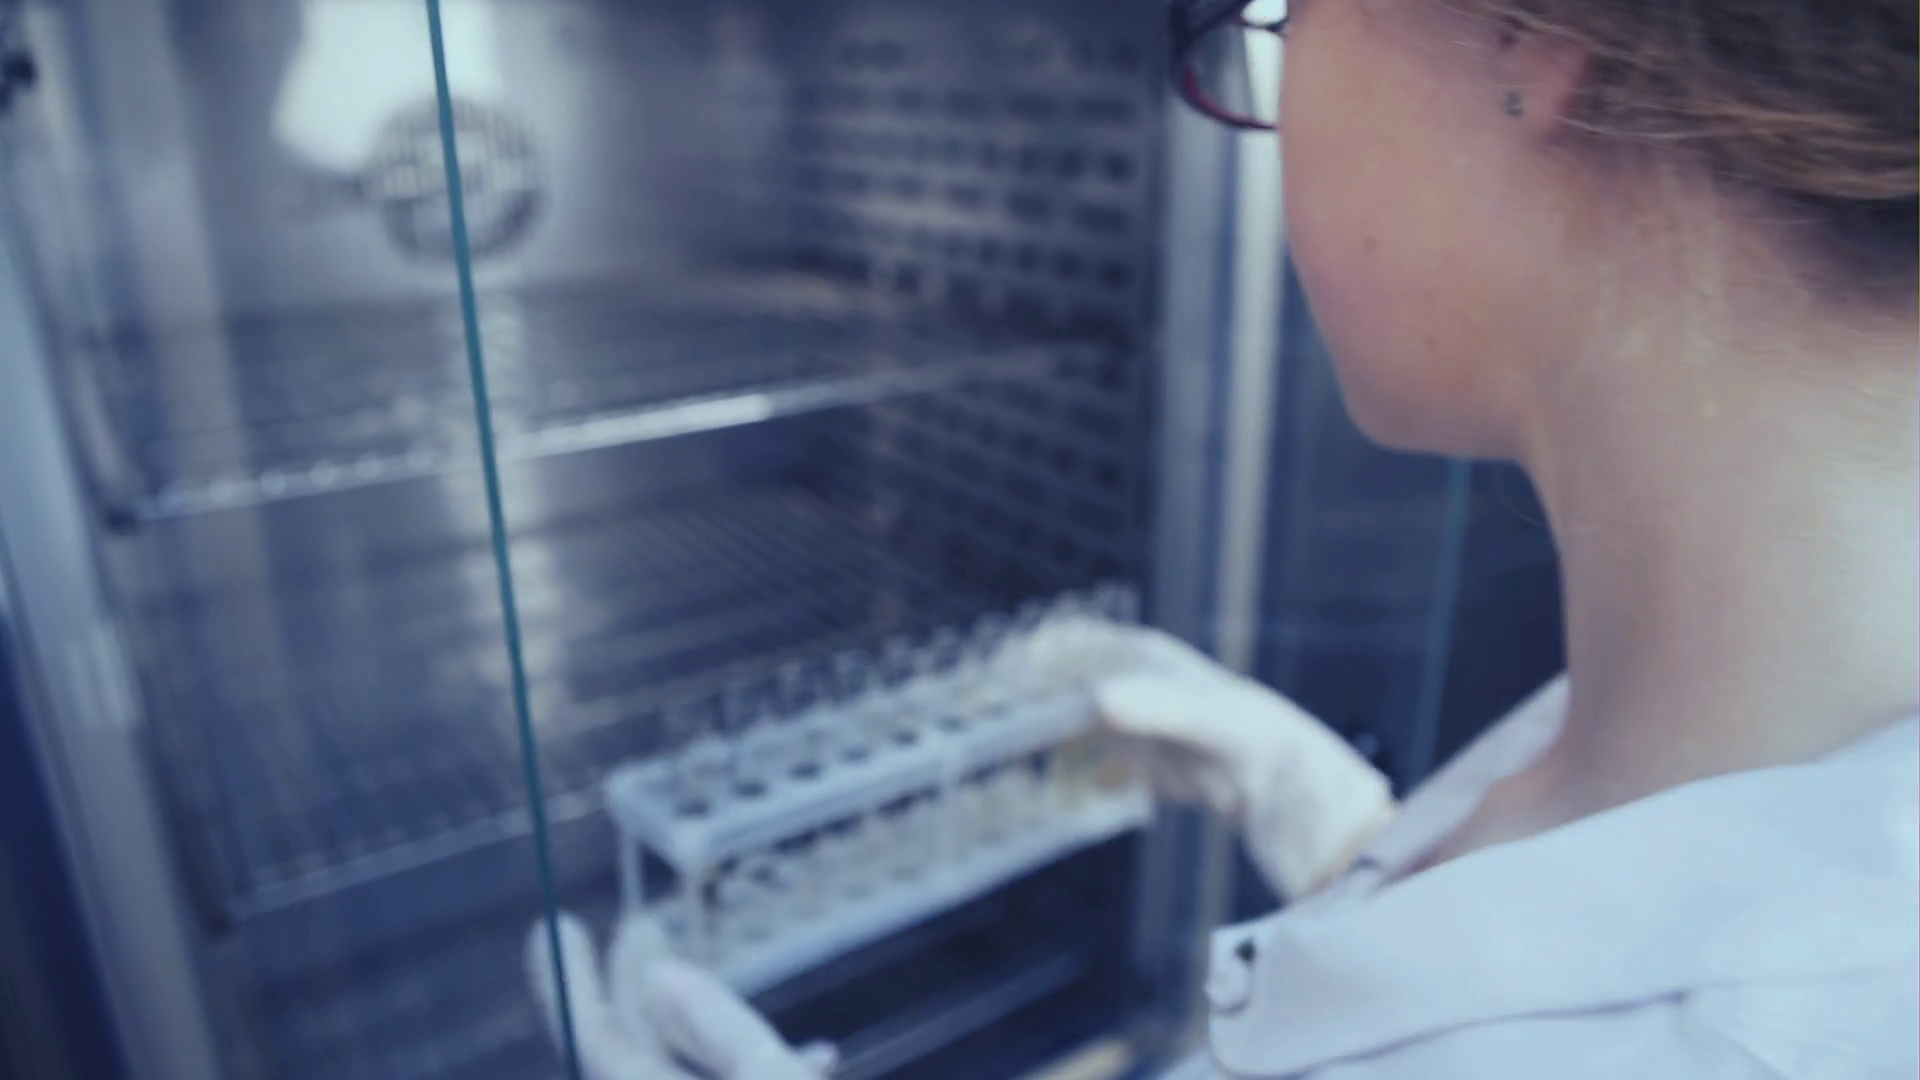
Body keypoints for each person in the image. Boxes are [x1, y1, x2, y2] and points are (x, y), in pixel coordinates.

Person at [527, 0, 1919, 1075]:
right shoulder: (1755, 718)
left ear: (1522, 33)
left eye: (1287, 18)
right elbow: (1598, 937)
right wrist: (1339, 832)